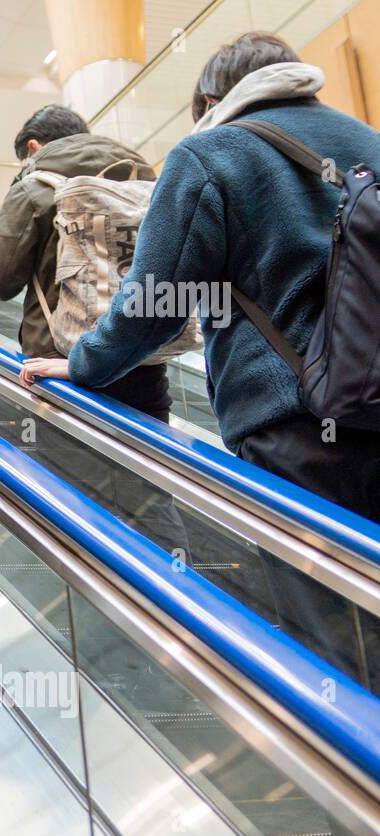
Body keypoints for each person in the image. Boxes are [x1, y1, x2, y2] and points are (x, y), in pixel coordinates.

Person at [19, 32, 380, 686]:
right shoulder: (368, 141)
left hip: (292, 426)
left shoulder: (212, 153)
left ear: (212, 99)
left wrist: (82, 364)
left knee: (335, 638)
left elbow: (153, 302)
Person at [0, 105, 169, 420]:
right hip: (143, 359)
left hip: (59, 361)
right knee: (148, 463)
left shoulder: (33, 189)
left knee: (64, 463)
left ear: (33, 147)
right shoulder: (146, 182)